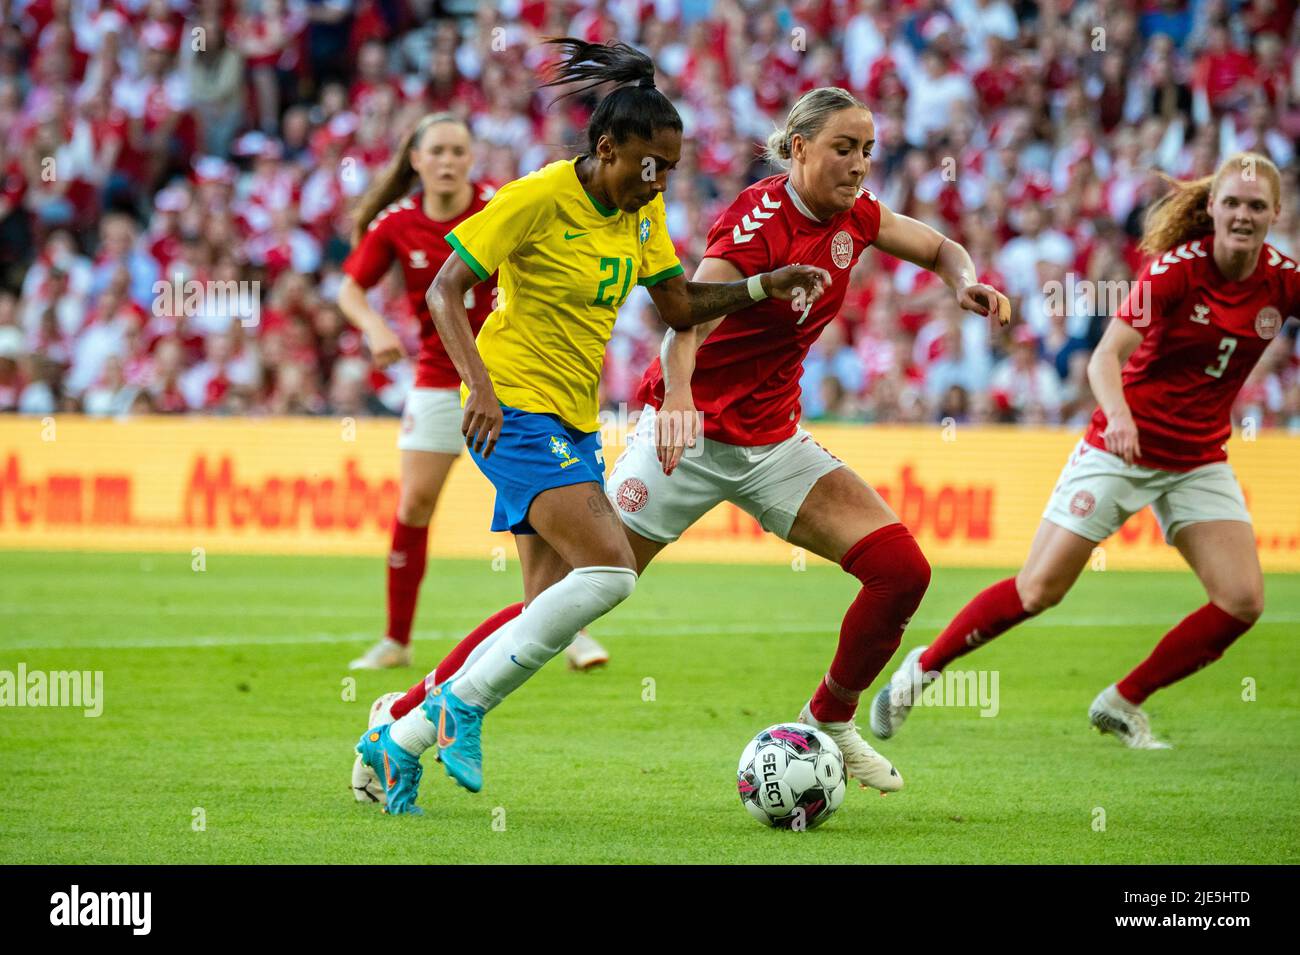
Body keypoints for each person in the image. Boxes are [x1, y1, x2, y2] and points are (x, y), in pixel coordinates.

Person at [391, 86, 1011, 799]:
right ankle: (410, 714)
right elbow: (683, 319)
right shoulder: (753, 223)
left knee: (902, 571)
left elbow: (936, 245)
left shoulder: (858, 218)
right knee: (573, 593)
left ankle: (830, 720)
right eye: (845, 148)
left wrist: (967, 280)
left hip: (773, 440)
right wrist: (678, 394)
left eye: (869, 150)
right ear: (799, 148)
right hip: (684, 438)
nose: (860, 165)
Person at [355, 39, 831, 813]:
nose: (661, 182)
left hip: (574, 421)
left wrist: (760, 286)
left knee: (540, 611)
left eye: (672, 168)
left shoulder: (639, 209)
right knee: (611, 570)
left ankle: (398, 733)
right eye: (652, 165)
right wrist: (476, 386)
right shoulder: (534, 197)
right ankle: (458, 710)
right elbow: (446, 291)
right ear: (606, 148)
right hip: (513, 406)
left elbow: (676, 307)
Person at [872, 152, 1296, 750]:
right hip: (1122, 447)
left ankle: (1122, 701)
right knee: (1038, 590)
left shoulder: (1284, 278)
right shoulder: (1176, 272)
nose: (1244, 215)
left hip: (1199, 458)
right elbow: (1104, 357)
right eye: (1232, 203)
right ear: (1212, 208)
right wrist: (1119, 417)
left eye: (1257, 206)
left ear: (1277, 212)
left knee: (1243, 601)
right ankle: (924, 668)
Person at [338, 114, 610, 674]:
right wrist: (375, 329)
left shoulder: (501, 204)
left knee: (549, 500)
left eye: (458, 151)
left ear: (471, 158)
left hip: (514, 380)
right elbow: (349, 290)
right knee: (414, 504)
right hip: (439, 380)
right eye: (436, 150)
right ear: (415, 159)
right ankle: (396, 640)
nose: (448, 161)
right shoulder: (395, 223)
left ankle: (571, 627)